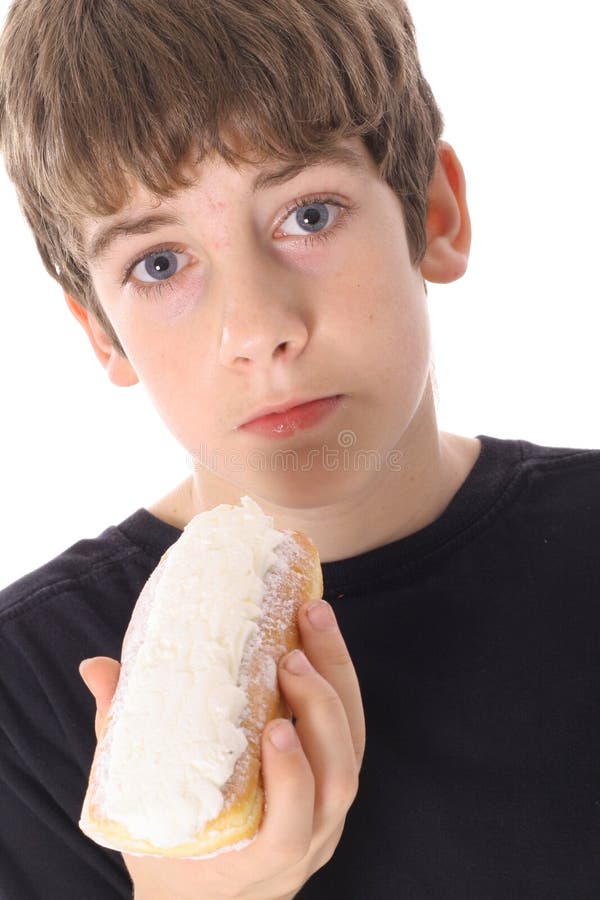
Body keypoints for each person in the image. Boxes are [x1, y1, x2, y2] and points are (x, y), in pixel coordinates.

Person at [0, 1, 598, 898]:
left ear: (433, 214)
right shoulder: (26, 699)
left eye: (308, 214)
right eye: (159, 264)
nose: (257, 329)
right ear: (101, 333)